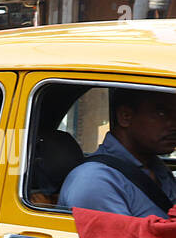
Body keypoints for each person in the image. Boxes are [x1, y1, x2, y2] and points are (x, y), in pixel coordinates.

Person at [59, 88, 176, 218]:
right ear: (125, 117)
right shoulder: (96, 181)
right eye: (161, 113)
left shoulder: (156, 167)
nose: (173, 124)